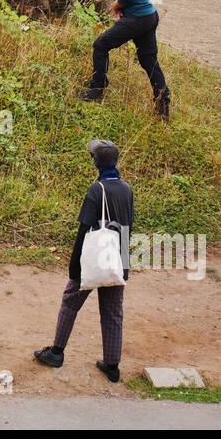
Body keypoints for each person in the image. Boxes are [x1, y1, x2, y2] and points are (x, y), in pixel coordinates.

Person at [33, 138, 133, 376]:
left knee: (70, 301)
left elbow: (83, 230)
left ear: (96, 163)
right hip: (117, 259)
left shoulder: (96, 190)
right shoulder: (127, 189)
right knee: (112, 311)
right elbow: (129, 226)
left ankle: (56, 352)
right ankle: (112, 366)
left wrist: (74, 267)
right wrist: (125, 266)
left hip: (93, 258)